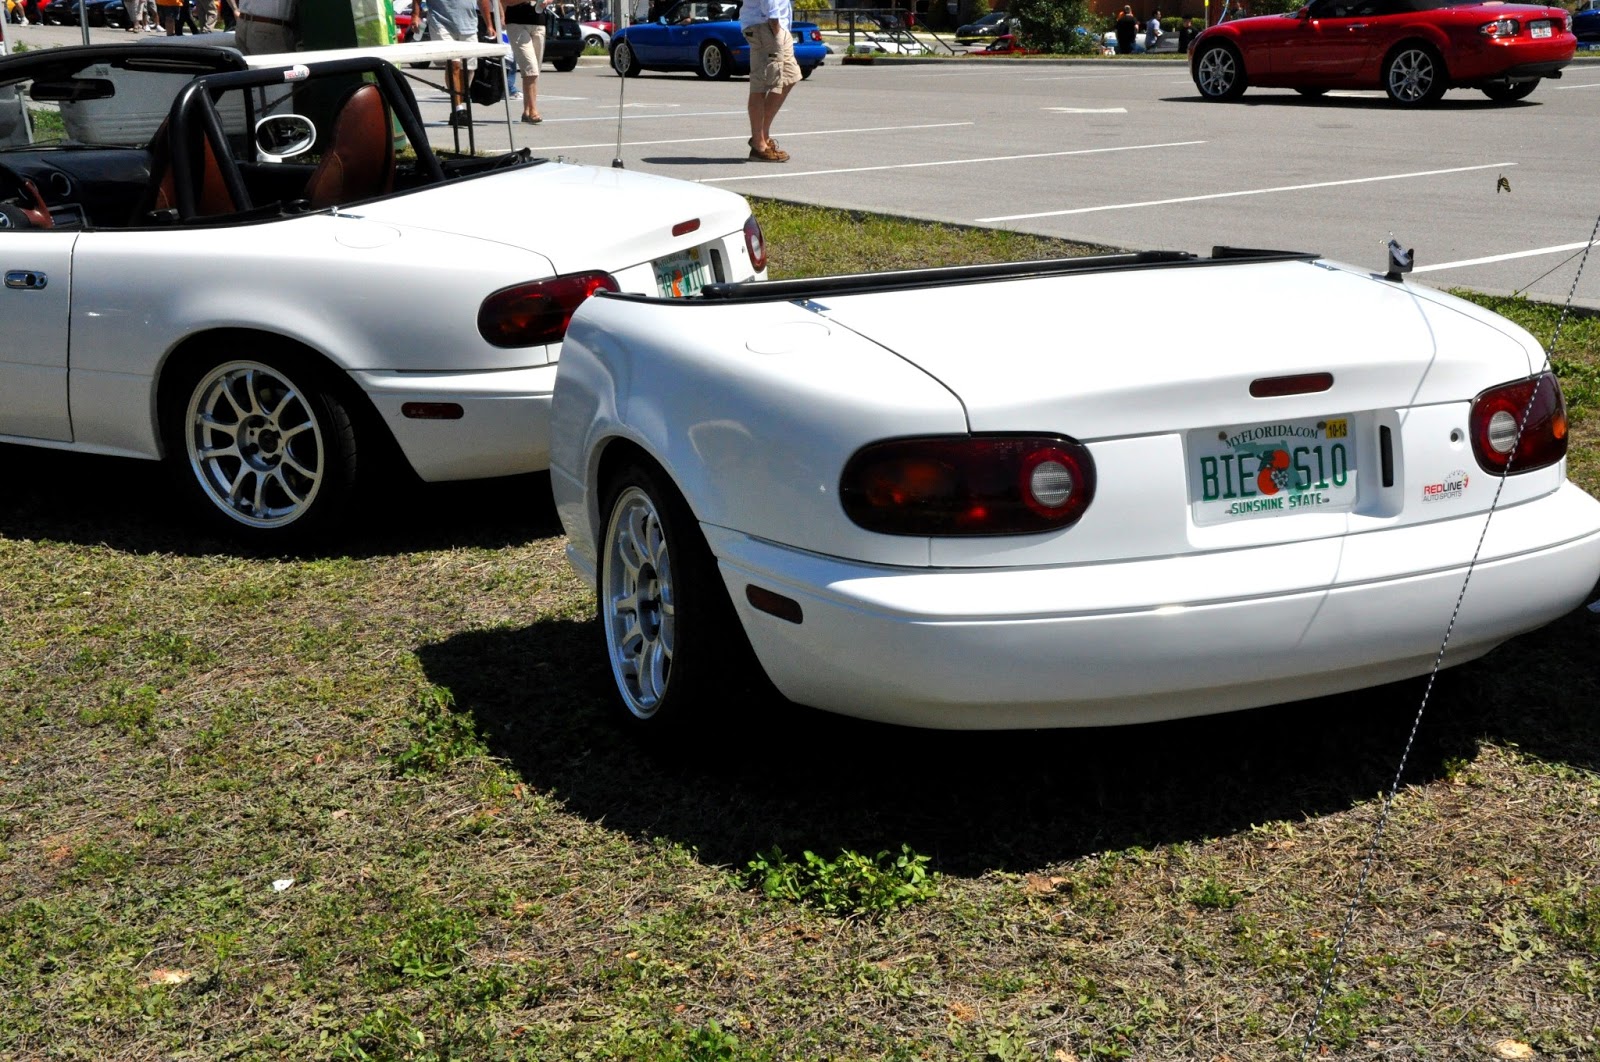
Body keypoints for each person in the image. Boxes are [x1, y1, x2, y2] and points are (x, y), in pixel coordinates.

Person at [739, 0, 800, 162]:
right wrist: (775, 28)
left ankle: (762, 135)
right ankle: (759, 144)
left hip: (778, 27)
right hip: (765, 26)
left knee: (790, 76)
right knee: (762, 84)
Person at [429, 0, 494, 127]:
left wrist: (489, 24)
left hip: (468, 25)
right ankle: (458, 108)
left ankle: (458, 105)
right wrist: (415, 15)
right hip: (440, 22)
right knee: (454, 64)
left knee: (468, 69)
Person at [502, 0, 546, 124]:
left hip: (539, 23)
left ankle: (526, 111)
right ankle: (533, 111)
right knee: (531, 68)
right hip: (517, 23)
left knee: (534, 71)